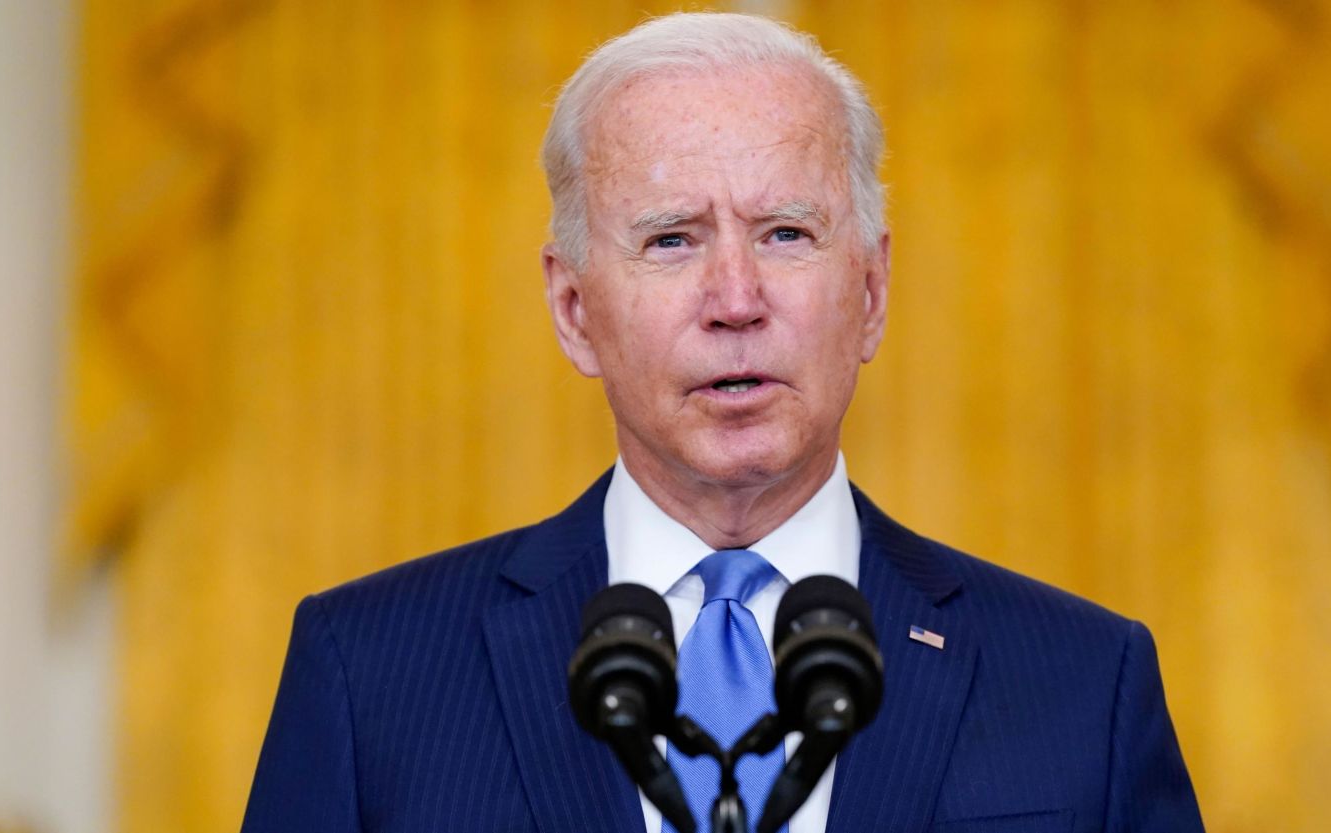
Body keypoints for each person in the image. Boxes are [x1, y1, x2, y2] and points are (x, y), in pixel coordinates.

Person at [241, 12, 1204, 833]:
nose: (736, 299)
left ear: (871, 291)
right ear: (575, 311)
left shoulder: (1085, 683)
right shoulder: (367, 677)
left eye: (786, 233)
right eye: (671, 239)